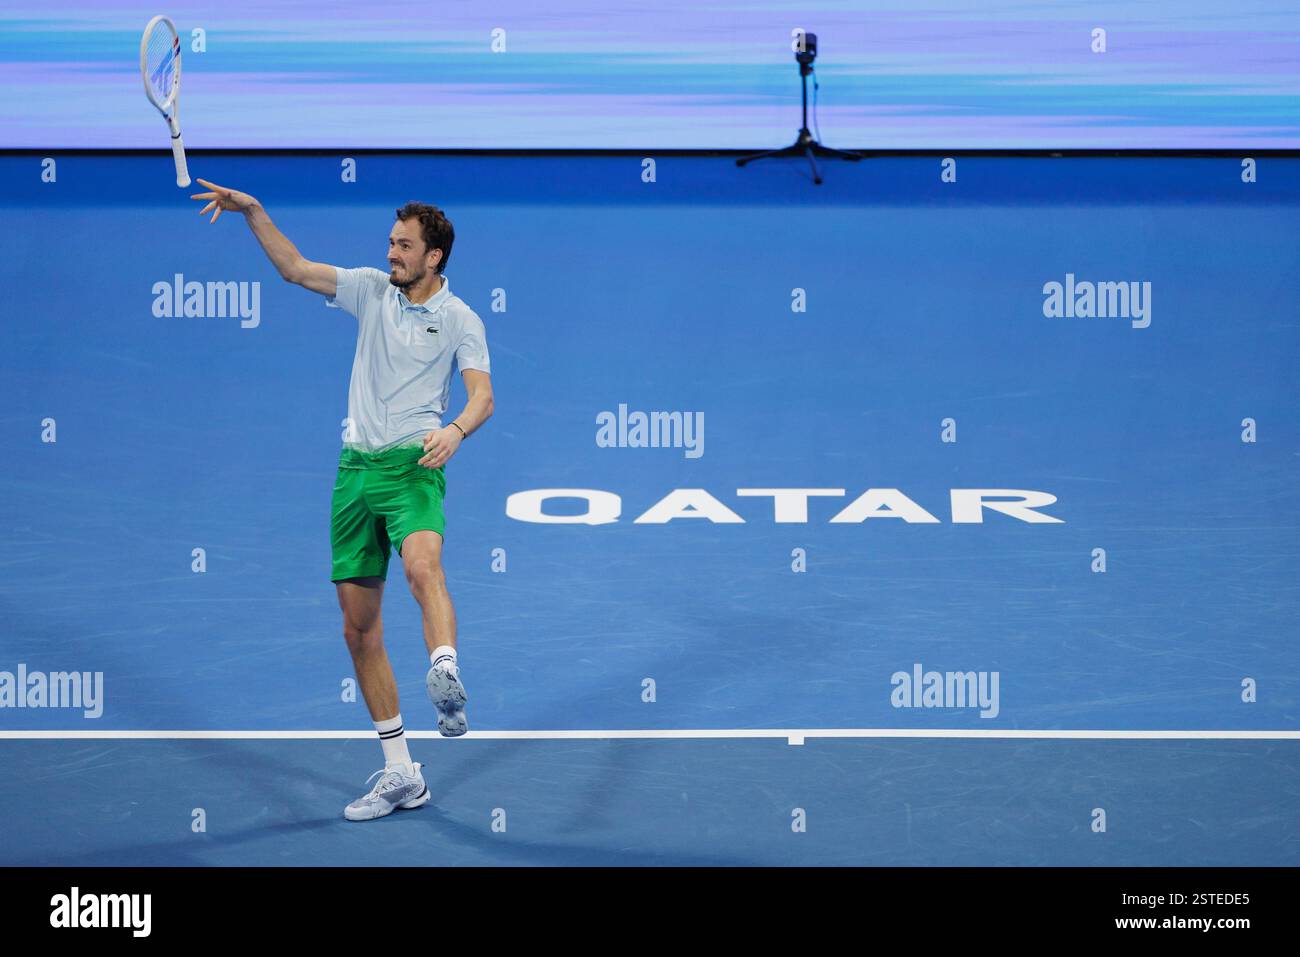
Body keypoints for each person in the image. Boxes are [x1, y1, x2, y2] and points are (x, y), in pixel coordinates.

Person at [191, 178, 493, 821]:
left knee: (422, 566)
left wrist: (456, 429)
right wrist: (255, 210)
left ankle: (444, 671)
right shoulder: (368, 290)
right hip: (354, 474)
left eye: (403, 246)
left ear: (433, 257)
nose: (391, 254)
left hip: (415, 464)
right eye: (390, 243)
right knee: (360, 631)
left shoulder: (463, 318)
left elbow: (482, 396)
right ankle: (400, 772)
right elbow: (295, 269)